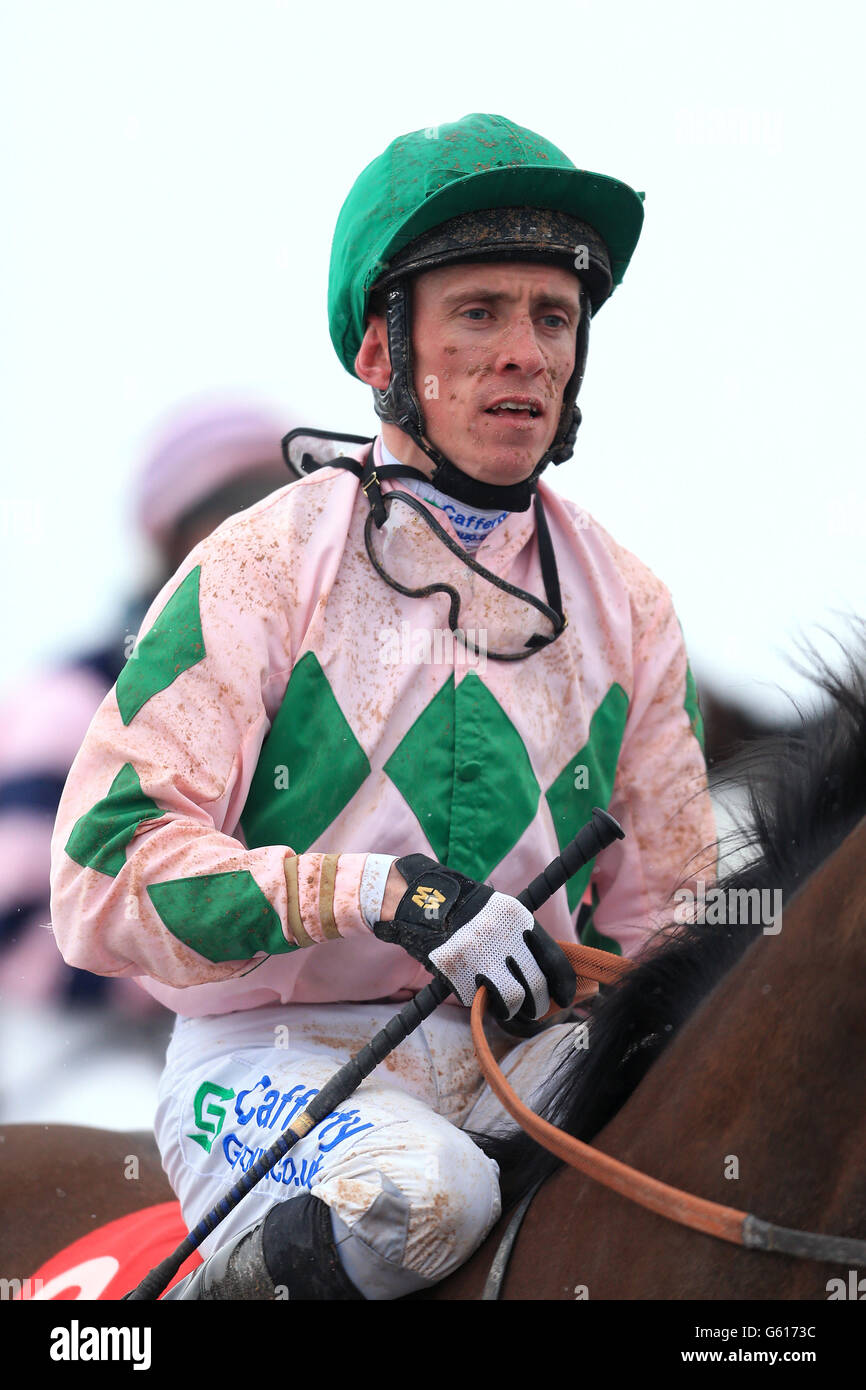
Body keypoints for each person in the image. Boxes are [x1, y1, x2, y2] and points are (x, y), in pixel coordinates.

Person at [50, 114, 717, 1300]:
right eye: (478, 312)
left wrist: (610, 974)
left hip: (520, 1067)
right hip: (274, 1060)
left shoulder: (632, 610)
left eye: (551, 317)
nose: (524, 352)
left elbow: (676, 919)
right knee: (421, 1200)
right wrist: (378, 893)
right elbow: (101, 879)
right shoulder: (258, 566)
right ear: (377, 349)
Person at [0, 399, 298, 1016]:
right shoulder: (71, 699)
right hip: (75, 1045)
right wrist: (172, 981)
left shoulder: (303, 700)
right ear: (173, 535)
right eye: (238, 503)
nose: (262, 529)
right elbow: (11, 914)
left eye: (284, 500)